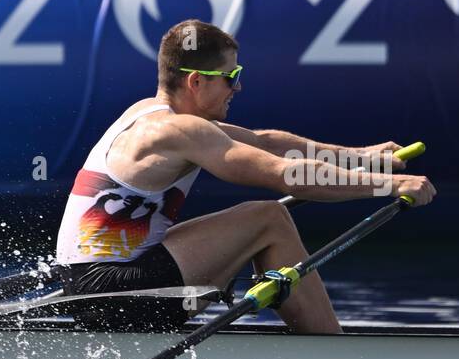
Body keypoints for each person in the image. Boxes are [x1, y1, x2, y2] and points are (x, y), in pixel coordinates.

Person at [54, 19, 435, 333]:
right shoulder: (180, 131)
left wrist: (360, 158)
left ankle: (320, 337)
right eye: (230, 75)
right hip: (114, 293)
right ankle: (330, 347)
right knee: (267, 218)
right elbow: (287, 175)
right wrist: (390, 185)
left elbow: (264, 142)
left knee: (263, 217)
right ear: (196, 81)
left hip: (88, 286)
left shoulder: (148, 113)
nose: (238, 86)